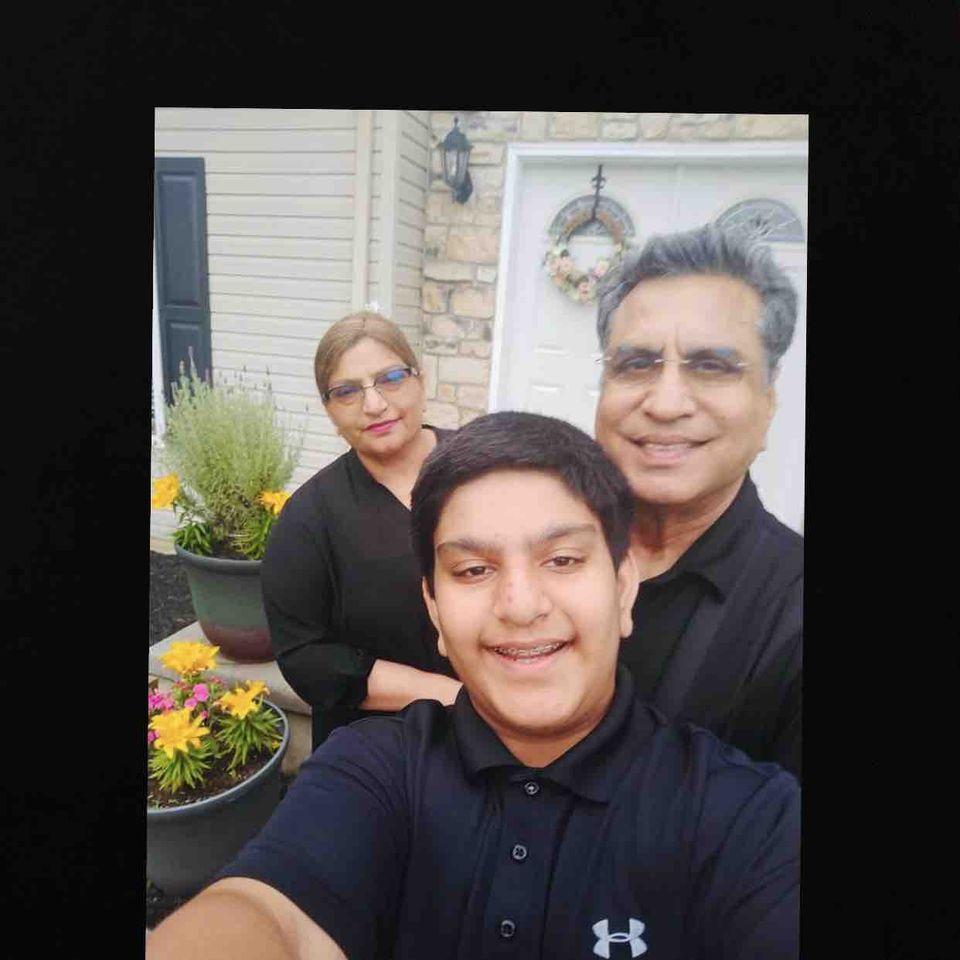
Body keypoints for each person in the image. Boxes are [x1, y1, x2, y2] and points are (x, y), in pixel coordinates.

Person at [147, 411, 800, 960]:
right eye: (473, 570)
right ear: (433, 610)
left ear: (624, 588)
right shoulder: (374, 771)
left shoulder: (749, 820)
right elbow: (269, 915)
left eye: (563, 559)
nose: (520, 605)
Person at [593, 223, 803, 778]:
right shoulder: (536, 550)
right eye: (636, 364)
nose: (666, 404)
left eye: (712, 366)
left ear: (768, 401)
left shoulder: (792, 615)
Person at [261, 311, 461, 747]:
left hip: (511, 727)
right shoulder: (309, 520)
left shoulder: (485, 469)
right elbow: (305, 656)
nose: (374, 405)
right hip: (379, 746)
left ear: (420, 380)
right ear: (329, 409)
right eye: (347, 391)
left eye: (391, 378)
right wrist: (452, 695)